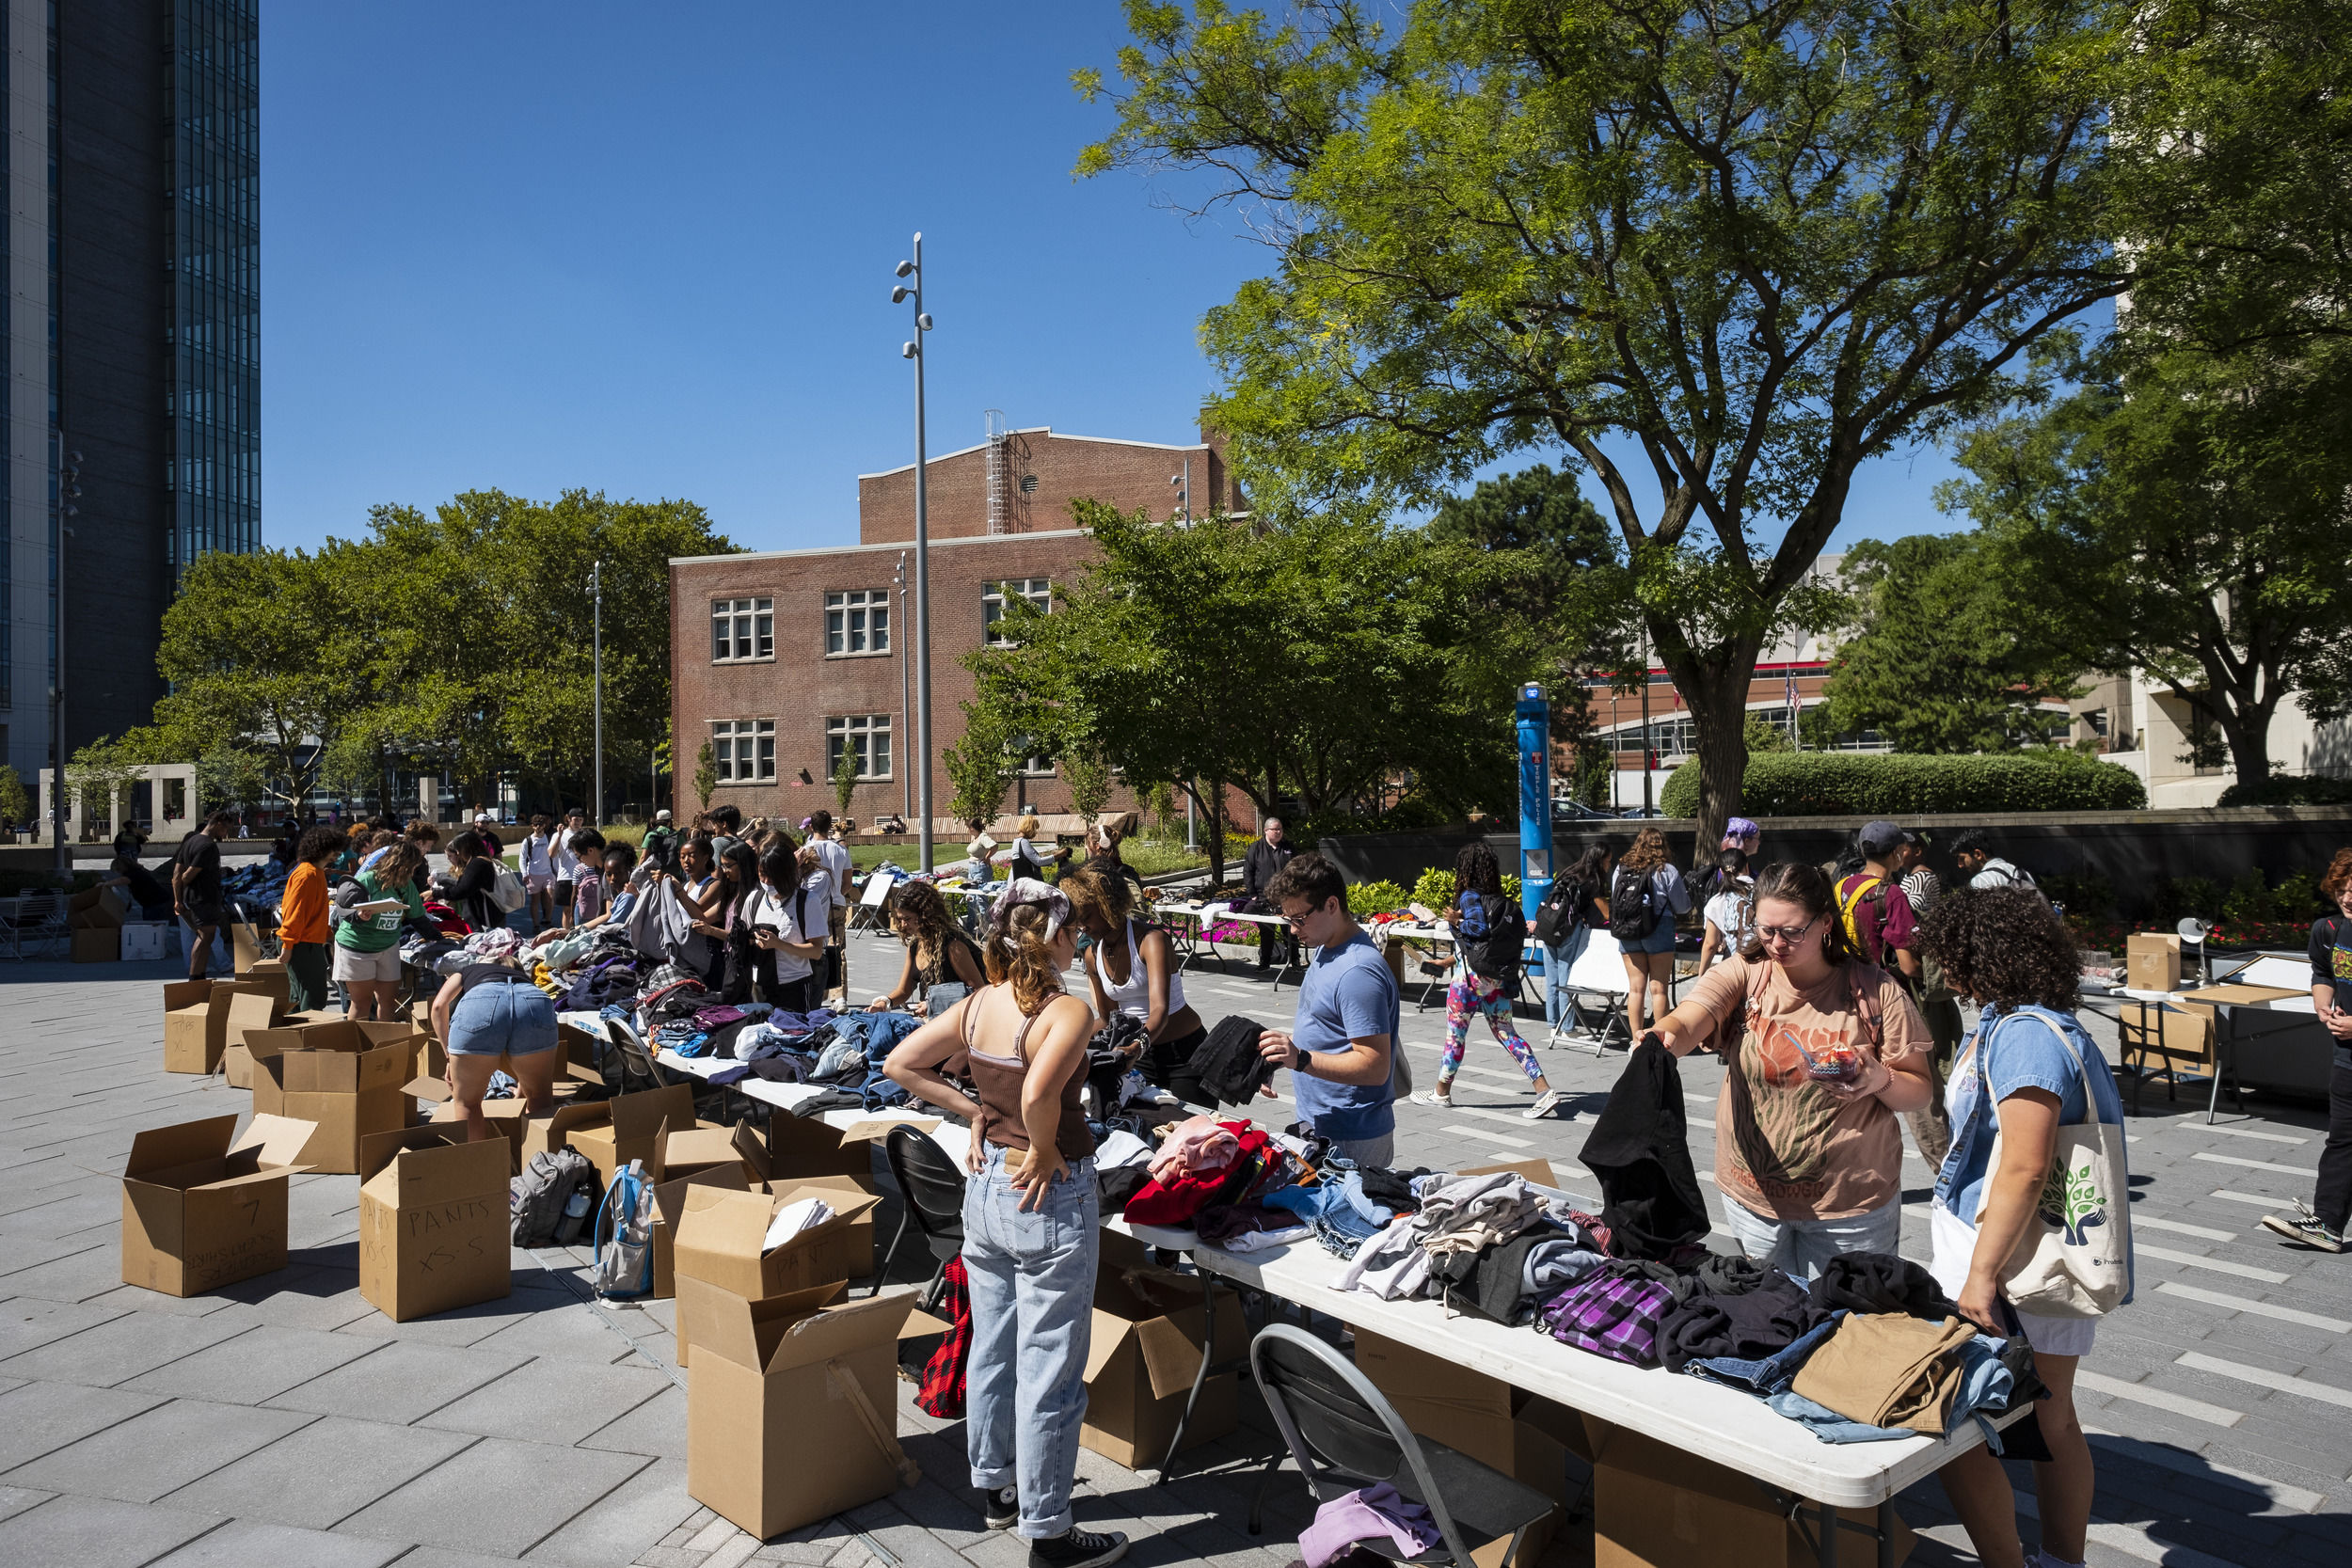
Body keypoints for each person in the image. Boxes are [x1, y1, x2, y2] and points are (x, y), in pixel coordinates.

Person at [882, 881, 1126, 1568]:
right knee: (1050, 1366)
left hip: (987, 1189)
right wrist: (1045, 1145)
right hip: (1044, 1190)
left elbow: (901, 1063)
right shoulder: (1066, 1009)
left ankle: (995, 1487)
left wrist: (970, 1113)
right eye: (1072, 930)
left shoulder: (980, 1002)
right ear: (1052, 937)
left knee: (993, 1342)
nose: (1078, 940)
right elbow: (1039, 1091)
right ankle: (1048, 1533)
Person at [1917, 886, 2131, 1568]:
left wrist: (1979, 1276)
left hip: (2012, 1257)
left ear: (1987, 954)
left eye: (1952, 954)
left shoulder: (2025, 1035)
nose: (1943, 967)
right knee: (2051, 1413)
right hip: (2040, 1249)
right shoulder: (2032, 1022)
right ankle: (2062, 1560)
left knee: (1959, 1421)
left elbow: (2025, 1164)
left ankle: (2012, 1562)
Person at [1645, 861, 1934, 1277]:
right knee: (1771, 1317)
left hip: (1850, 1210)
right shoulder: (1746, 974)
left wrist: (1879, 1079)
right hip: (1754, 1203)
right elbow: (1693, 1015)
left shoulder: (1876, 990)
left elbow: (1920, 1090)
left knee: (1850, 1325)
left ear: (1826, 925)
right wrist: (1664, 1036)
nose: (1777, 943)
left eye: (1793, 931)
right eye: (1765, 929)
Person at [1255, 852, 1399, 1165]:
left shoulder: (1357, 971)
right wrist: (1281, 1058)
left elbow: (1375, 1067)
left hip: (1350, 1136)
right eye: (1287, 919)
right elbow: (1325, 1030)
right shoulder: (1326, 947)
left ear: (1331, 905)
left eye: (1300, 919)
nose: (1293, 929)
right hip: (1323, 1123)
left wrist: (1301, 1059)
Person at [1419, 841, 1565, 1119]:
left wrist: (1457, 920)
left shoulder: (1469, 897)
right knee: (1507, 1032)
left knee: (1456, 1035)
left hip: (1469, 981)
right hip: (1497, 978)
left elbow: (1476, 929)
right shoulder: (1501, 901)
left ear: (1465, 869)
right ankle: (1543, 1089)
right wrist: (1447, 960)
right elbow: (1481, 946)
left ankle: (1441, 1092)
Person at [2259, 847, 2352, 1253]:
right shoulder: (2330, 930)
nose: (2348, 898)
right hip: (2346, 1058)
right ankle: (2328, 1225)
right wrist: (2322, 1002)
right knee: (2342, 1141)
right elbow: (2321, 971)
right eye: (2343, 890)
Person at [1064, 866, 1209, 1105]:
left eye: (1086, 917)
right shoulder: (1092, 954)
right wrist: (1068, 1039)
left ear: (1107, 907)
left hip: (1183, 1054)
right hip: (1138, 1053)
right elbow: (1109, 1017)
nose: (1082, 926)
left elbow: (1159, 1011)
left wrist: (1137, 1045)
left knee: (1191, 1130)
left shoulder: (1152, 941)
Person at [430, 956, 561, 1143]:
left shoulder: (469, 970)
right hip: (533, 1001)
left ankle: (477, 1167)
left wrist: (449, 1055)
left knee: (468, 1102)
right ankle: (542, 1165)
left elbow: (437, 1006)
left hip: (480, 1002)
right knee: (540, 1097)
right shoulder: (523, 979)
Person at [1612, 826, 1692, 1040]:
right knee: (1659, 990)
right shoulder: (1666, 871)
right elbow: (1683, 906)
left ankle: (1636, 1040)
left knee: (1635, 989)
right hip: (1658, 930)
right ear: (1662, 846)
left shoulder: (1621, 870)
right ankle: (1660, 1039)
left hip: (1628, 931)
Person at [334, 839, 428, 1022]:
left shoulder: (406, 885)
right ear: (399, 864)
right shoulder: (367, 880)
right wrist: (358, 916)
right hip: (357, 946)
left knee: (388, 1002)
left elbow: (418, 917)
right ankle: (358, 1048)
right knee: (361, 1003)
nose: (413, 872)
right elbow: (342, 909)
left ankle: (384, 1047)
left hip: (387, 946)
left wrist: (438, 939)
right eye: (410, 868)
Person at [870, 879, 985, 1018]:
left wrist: (935, 1003)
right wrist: (885, 1002)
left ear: (926, 914)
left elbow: (979, 992)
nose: (903, 925)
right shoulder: (915, 946)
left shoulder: (954, 946)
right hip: (931, 1020)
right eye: (900, 919)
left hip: (956, 1022)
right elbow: (904, 991)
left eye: (907, 918)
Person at [1837, 821, 1923, 990]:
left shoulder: (1842, 885)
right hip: (1881, 992)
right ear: (1896, 853)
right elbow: (1909, 967)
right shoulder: (1892, 894)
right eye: (1903, 849)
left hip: (1845, 985)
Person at [1538, 845, 1611, 1032]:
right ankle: (1568, 1028)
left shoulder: (1569, 873)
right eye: (1608, 861)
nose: (1609, 865)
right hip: (1568, 931)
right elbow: (1606, 912)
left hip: (1548, 928)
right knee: (1566, 980)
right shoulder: (1592, 881)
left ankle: (1554, 1024)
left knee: (1552, 980)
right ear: (1600, 860)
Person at [277, 826, 346, 1013]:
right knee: (311, 999)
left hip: (304, 942)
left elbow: (313, 912)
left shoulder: (316, 873)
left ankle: (298, 1037)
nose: (338, 855)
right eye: (335, 850)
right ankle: (305, 1038)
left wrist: (328, 935)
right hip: (300, 943)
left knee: (302, 998)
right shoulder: (308, 875)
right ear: (321, 849)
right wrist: (288, 945)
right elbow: (293, 913)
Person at [749, 843, 826, 1013]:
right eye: (762, 874)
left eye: (772, 876)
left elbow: (816, 950)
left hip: (793, 986)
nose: (767, 881)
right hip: (759, 986)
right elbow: (743, 936)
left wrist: (779, 944)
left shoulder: (807, 901)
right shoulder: (754, 899)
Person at [171, 810, 239, 982]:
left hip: (192, 898)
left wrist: (178, 900)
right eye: (226, 830)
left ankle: (198, 976)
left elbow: (176, 875)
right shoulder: (208, 846)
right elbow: (185, 876)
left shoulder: (190, 841)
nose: (226, 834)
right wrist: (180, 897)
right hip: (203, 898)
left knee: (203, 936)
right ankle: (195, 978)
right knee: (205, 937)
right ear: (218, 825)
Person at [1243, 816, 1300, 973]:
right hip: (1263, 897)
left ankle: (1295, 962)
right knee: (1267, 931)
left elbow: (1298, 869)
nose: (1279, 832)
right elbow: (1248, 871)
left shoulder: (1288, 847)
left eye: (1280, 829)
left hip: (1286, 896)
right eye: (1275, 829)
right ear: (1266, 831)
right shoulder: (1256, 848)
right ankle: (1265, 962)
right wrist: (1252, 894)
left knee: (1290, 930)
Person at [1694, 847, 1755, 972]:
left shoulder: (1717, 901)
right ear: (1747, 867)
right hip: (1764, 965)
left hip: (1735, 966)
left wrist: (1702, 973)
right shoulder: (1764, 892)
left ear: (1721, 871)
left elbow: (1711, 944)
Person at [1080, 812, 1148, 904]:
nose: (1086, 847)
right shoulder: (1129, 872)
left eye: (1088, 844)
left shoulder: (1092, 874)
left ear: (1097, 845)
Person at [103, 831, 171, 922]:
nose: (118, 873)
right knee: (154, 923)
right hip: (156, 901)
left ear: (122, 867)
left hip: (155, 902)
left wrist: (106, 884)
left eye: (117, 870)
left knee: (152, 925)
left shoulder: (133, 873)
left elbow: (122, 880)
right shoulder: (137, 870)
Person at [1950, 829, 2041, 895]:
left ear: (1978, 854)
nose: (1960, 865)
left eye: (1962, 858)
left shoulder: (1980, 881)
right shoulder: (2023, 873)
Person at [445, 831, 502, 932]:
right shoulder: (481, 861)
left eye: (458, 849)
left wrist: (436, 893)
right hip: (486, 917)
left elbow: (462, 890)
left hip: (483, 919)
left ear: (466, 847)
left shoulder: (477, 863)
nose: (458, 853)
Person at [519, 815, 558, 931]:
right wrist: (524, 873)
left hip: (547, 873)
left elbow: (555, 854)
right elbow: (522, 858)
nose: (538, 827)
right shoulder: (528, 841)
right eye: (535, 825)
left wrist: (556, 870)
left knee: (550, 897)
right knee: (535, 901)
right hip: (533, 874)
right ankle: (536, 925)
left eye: (540, 825)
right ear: (532, 826)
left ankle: (547, 920)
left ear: (544, 826)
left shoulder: (549, 838)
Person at [550, 810, 585, 927]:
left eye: (580, 820)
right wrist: (559, 836)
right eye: (575, 819)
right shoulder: (559, 835)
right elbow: (551, 854)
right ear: (568, 819)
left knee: (584, 909)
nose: (578, 822)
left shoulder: (585, 835)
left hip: (584, 877)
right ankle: (567, 936)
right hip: (567, 877)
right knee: (568, 910)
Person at [962, 817, 1000, 882]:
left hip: (980, 868)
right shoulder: (974, 837)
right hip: (972, 868)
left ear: (972, 828)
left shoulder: (982, 837)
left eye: (968, 828)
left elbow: (994, 846)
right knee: (971, 890)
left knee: (979, 889)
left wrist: (987, 857)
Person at [642, 809, 678, 875]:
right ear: (669, 822)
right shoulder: (678, 835)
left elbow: (643, 857)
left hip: (655, 874)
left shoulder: (650, 835)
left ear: (657, 821)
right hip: (674, 874)